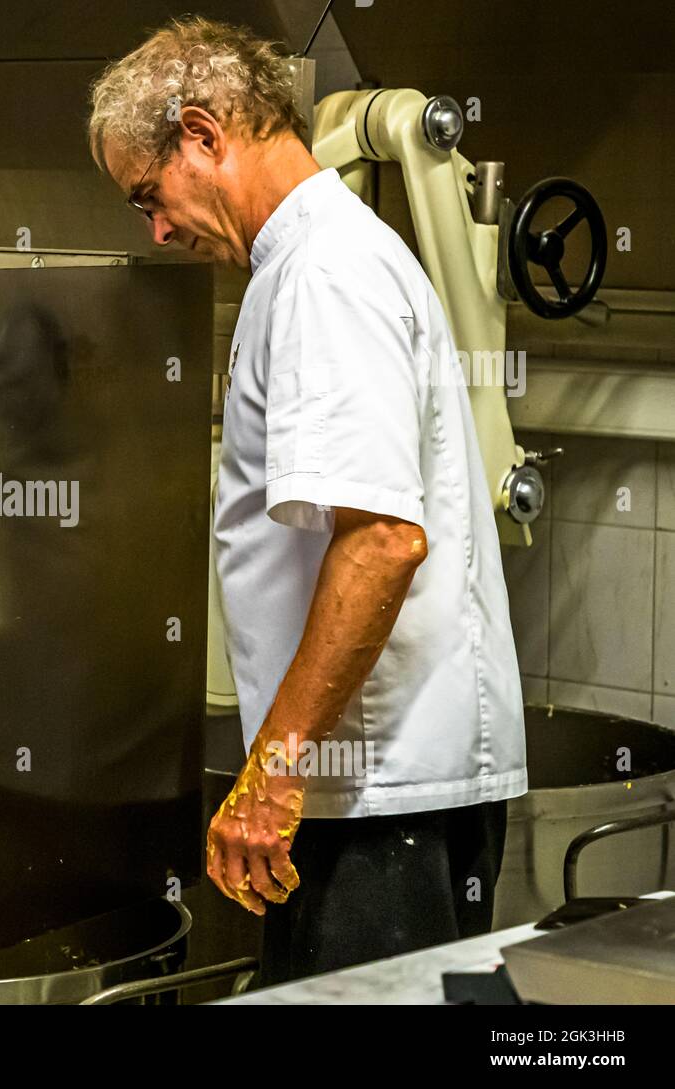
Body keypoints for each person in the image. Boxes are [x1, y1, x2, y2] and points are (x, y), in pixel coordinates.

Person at [87, 16, 526, 987]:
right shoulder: (303, 264)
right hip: (358, 788)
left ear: (202, 134)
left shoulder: (325, 274)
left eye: (146, 196)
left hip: (382, 796)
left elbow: (381, 544)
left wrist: (271, 774)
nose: (156, 229)